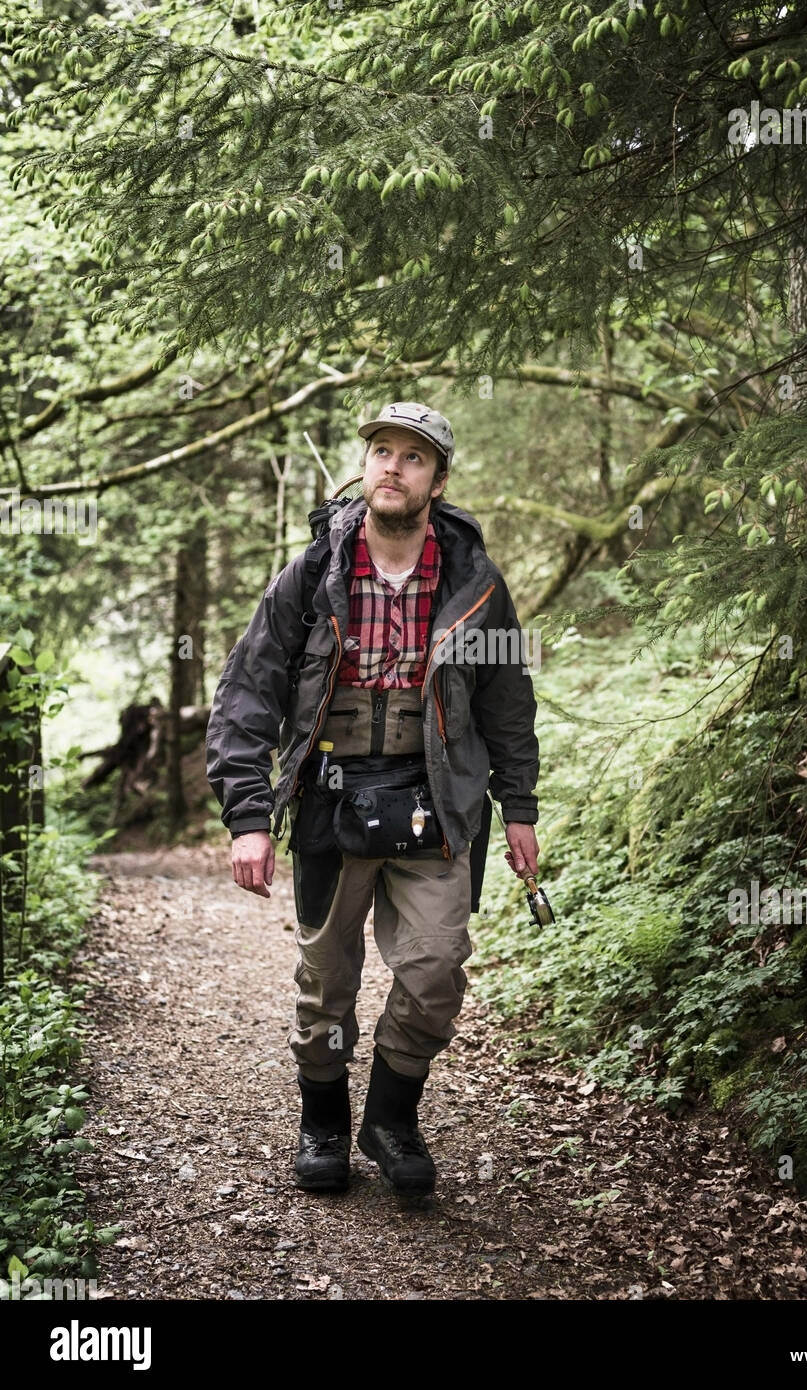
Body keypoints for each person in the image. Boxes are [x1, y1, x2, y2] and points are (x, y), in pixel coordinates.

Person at [205, 401, 540, 1198]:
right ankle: (321, 1121)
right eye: (381, 451)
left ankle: (390, 1119)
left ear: (438, 479)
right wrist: (248, 817)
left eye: (413, 457)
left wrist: (519, 806)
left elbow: (506, 702)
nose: (393, 466)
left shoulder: (474, 584)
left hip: (437, 804)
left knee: (434, 971)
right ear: (363, 467)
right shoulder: (310, 574)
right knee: (325, 982)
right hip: (328, 801)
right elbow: (247, 694)